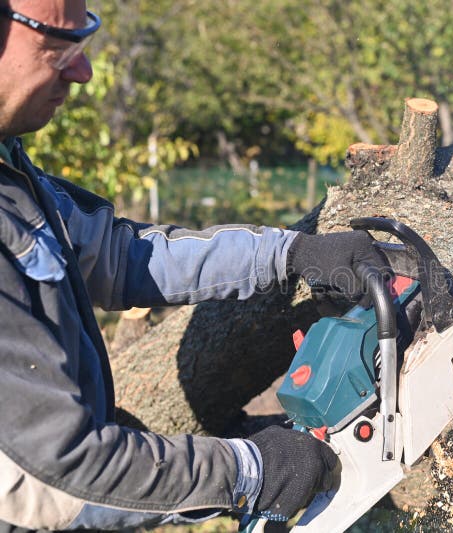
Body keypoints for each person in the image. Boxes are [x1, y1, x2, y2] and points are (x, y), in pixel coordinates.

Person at [0, 1, 386, 529]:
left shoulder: (10, 176)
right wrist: (249, 470)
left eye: (82, 45)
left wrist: (291, 252)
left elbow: (124, 257)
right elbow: (56, 476)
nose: (82, 71)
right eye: (57, 46)